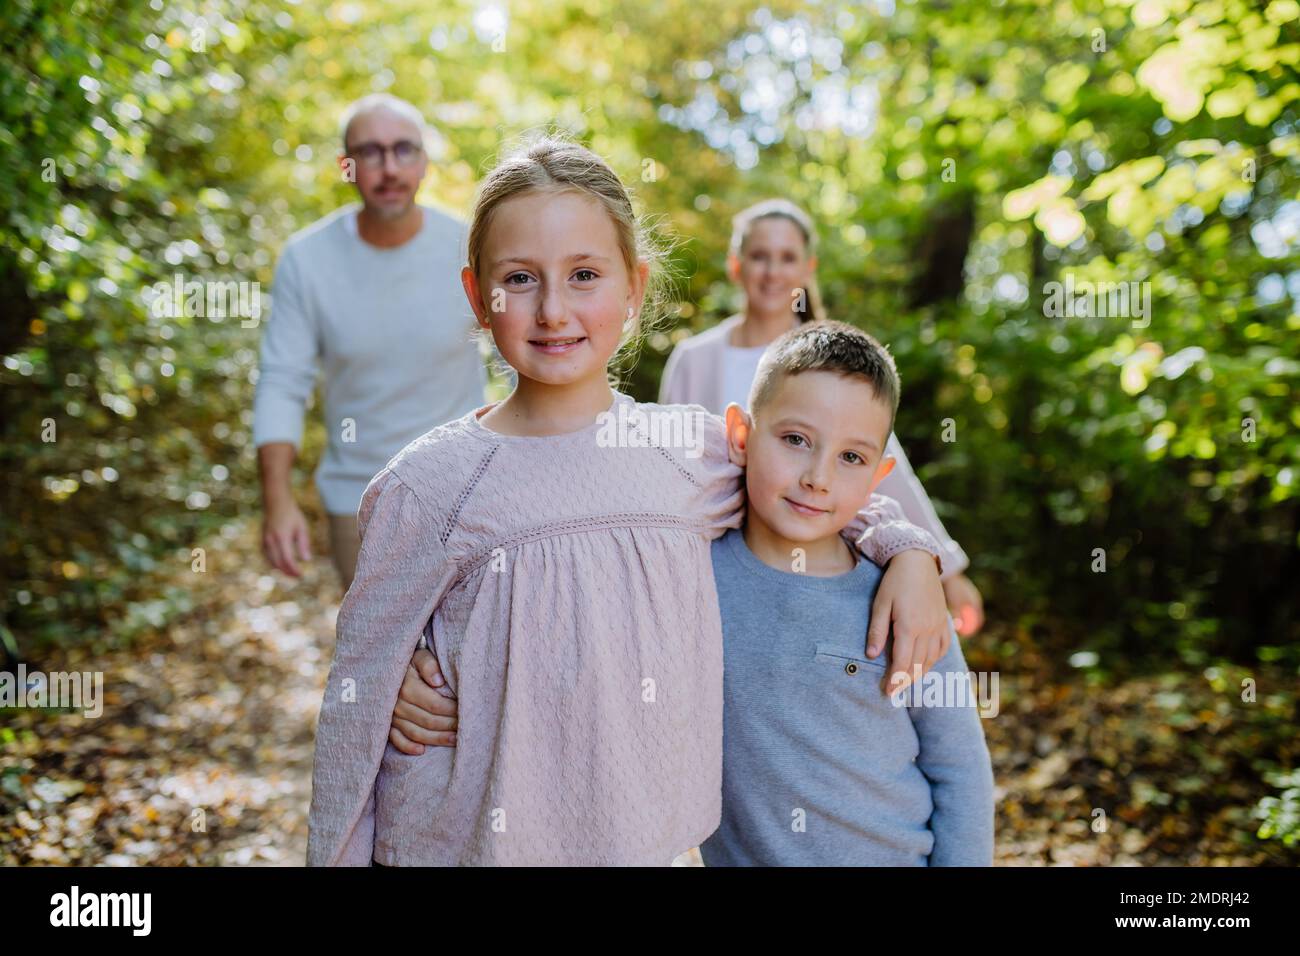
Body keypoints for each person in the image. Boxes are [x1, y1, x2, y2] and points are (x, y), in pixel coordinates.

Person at [305, 136, 953, 866]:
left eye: (584, 274)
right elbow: (356, 695)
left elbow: (813, 489)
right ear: (476, 297)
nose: (553, 310)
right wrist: (393, 685)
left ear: (634, 288)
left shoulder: (687, 453)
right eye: (519, 278)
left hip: (638, 845)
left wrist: (911, 553)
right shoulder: (429, 487)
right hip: (460, 845)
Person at [698, 320, 994, 865]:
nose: (818, 477)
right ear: (741, 436)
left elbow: (960, 769)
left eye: (850, 458)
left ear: (878, 475)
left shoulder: (908, 600)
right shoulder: (692, 578)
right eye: (795, 440)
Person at [659, 199, 985, 637]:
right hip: (720, 570)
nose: (772, 272)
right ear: (736, 266)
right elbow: (670, 469)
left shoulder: (833, 359)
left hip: (821, 564)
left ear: (807, 268)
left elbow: (887, 471)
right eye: (759, 256)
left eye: (787, 258)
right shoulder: (695, 359)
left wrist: (946, 568)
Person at [252, 93, 488, 592]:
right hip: (359, 503)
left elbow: (523, 358)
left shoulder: (471, 246)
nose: (388, 167)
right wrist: (277, 499)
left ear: (423, 162)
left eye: (404, 150)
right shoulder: (307, 259)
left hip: (468, 496)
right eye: (369, 152)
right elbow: (282, 380)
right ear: (346, 167)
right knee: (382, 665)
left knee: (474, 661)